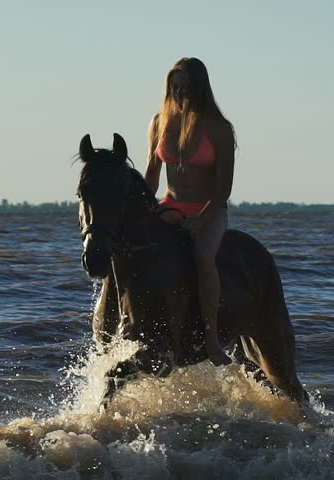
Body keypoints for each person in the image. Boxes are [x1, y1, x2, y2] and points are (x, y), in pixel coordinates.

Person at [144, 57, 236, 366]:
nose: (181, 93)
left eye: (187, 87)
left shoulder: (219, 129)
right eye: (176, 87)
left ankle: (211, 341)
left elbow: (223, 189)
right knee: (130, 249)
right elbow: (152, 175)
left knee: (202, 257)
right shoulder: (159, 122)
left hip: (208, 210)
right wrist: (144, 208)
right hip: (170, 206)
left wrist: (201, 221)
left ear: (200, 89)